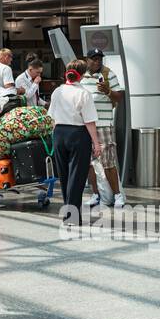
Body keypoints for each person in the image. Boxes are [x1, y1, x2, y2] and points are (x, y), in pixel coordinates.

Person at [47, 59, 102, 228]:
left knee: (64, 176)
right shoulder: (84, 93)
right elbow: (89, 122)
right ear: (83, 75)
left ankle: (69, 213)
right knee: (77, 176)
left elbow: (52, 118)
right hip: (78, 135)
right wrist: (97, 143)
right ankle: (71, 216)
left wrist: (55, 136)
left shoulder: (57, 91)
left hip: (59, 134)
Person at [80, 50, 125, 208]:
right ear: (87, 60)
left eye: (99, 59)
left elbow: (119, 97)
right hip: (85, 125)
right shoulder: (82, 75)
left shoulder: (108, 74)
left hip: (104, 124)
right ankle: (95, 194)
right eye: (94, 59)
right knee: (89, 163)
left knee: (108, 161)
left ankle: (118, 195)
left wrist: (107, 91)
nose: (97, 62)